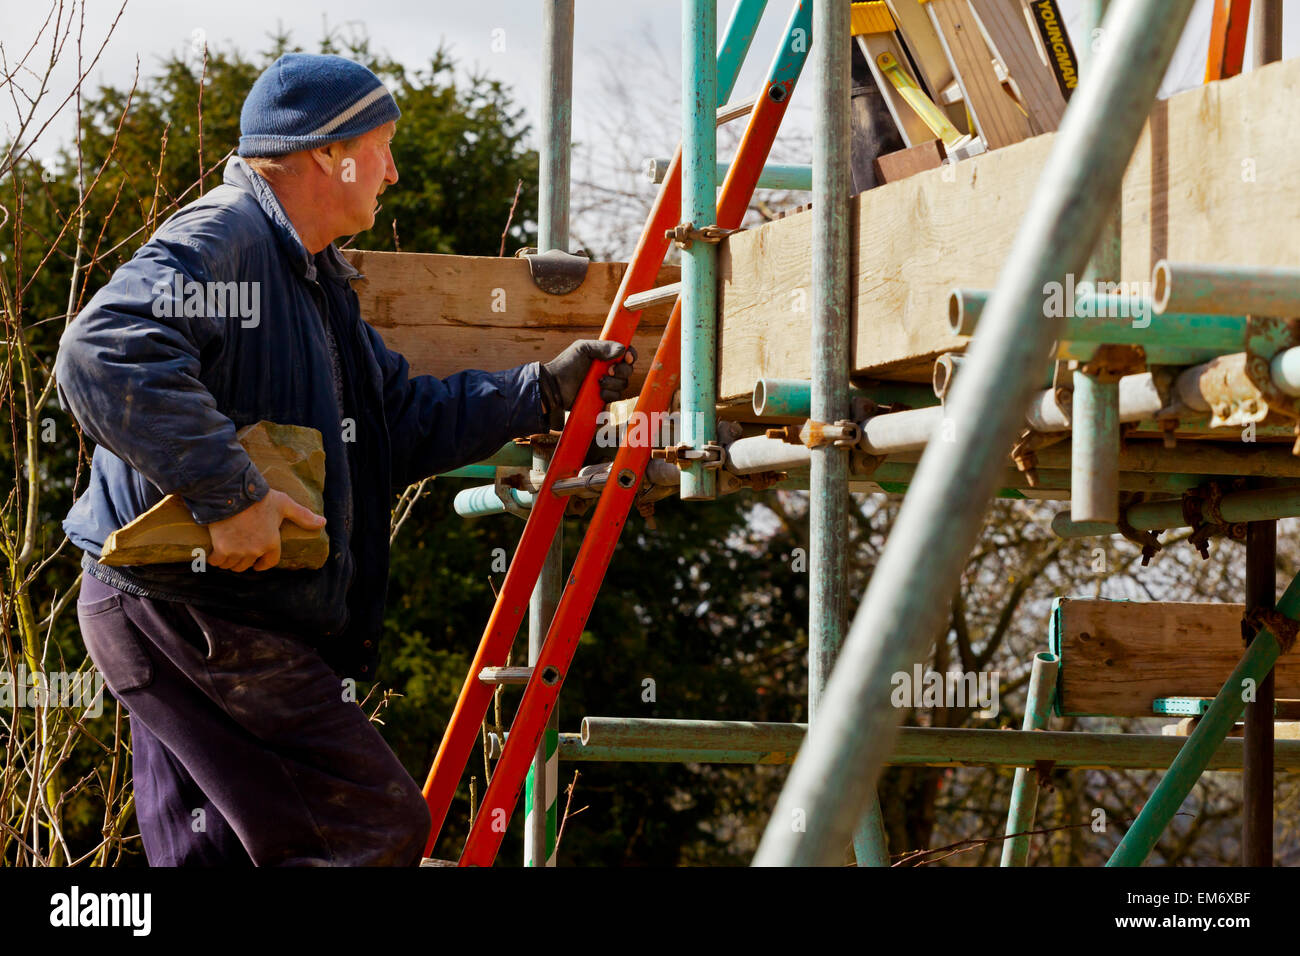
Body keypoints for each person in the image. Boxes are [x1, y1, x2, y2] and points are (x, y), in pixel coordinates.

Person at [55, 53, 633, 866]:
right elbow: (104, 351)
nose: (393, 173)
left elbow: (393, 421)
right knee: (367, 824)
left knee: (210, 856)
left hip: (183, 614)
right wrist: (232, 497)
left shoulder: (313, 278)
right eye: (384, 146)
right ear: (328, 153)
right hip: (189, 611)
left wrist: (539, 390)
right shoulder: (230, 237)